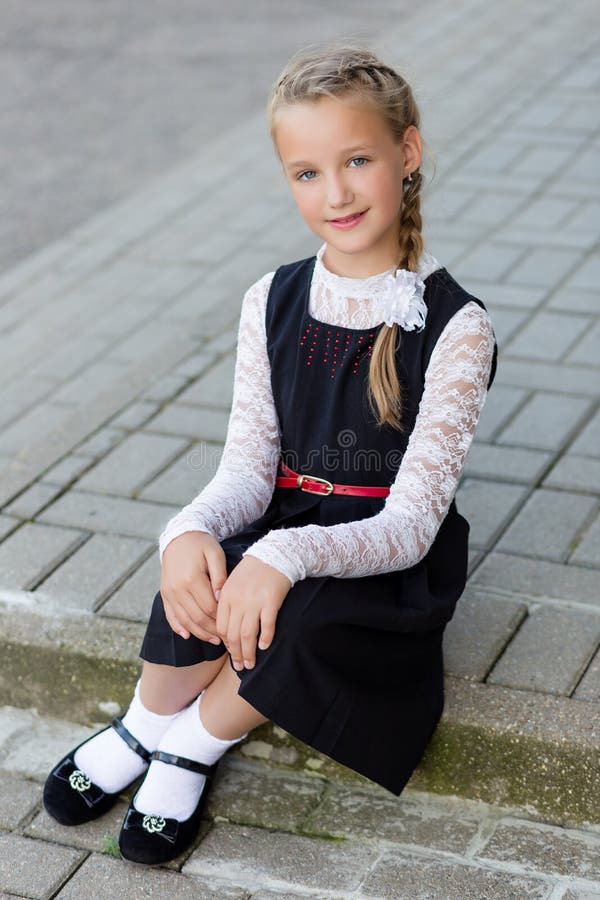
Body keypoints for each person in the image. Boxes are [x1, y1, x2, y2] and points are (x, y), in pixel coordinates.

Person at [43, 41, 498, 866]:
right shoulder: (272, 297)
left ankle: (193, 745)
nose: (337, 193)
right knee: (208, 561)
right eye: (307, 173)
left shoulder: (456, 326)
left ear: (408, 153)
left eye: (357, 159)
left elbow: (411, 526)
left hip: (382, 549)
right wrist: (184, 533)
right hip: (290, 510)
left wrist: (284, 557)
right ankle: (148, 720)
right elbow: (247, 473)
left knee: (305, 616)